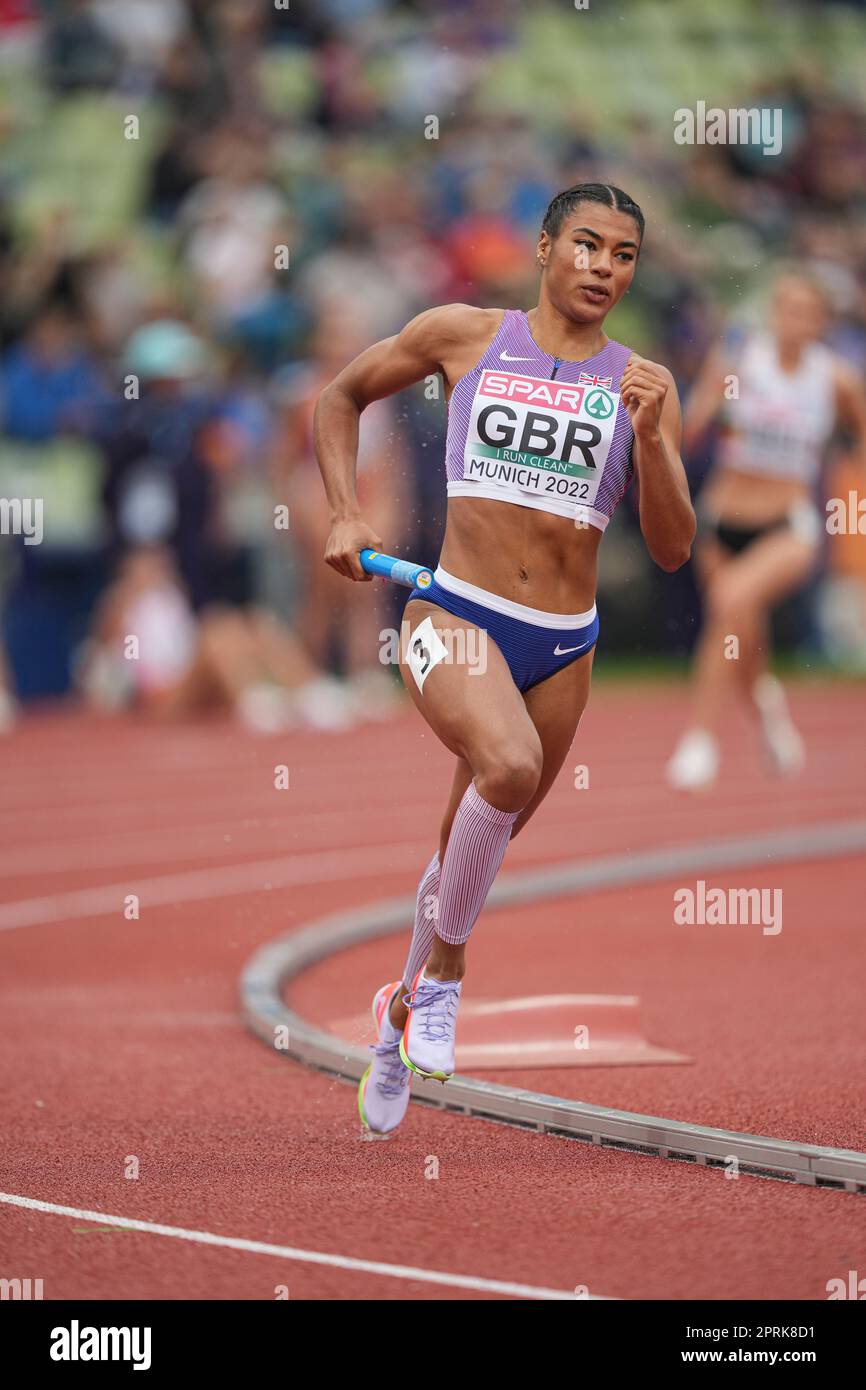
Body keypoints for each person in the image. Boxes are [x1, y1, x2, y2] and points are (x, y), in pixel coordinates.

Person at [314, 183, 696, 1133]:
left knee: (463, 858)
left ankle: (394, 1019)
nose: (605, 267)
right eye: (588, 245)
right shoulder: (465, 334)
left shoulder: (644, 385)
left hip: (564, 643)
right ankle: (445, 978)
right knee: (511, 767)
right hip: (453, 613)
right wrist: (345, 510)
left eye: (624, 254)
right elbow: (341, 396)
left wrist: (651, 441)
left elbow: (674, 547)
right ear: (544, 248)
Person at [667, 272, 866, 791]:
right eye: (786, 308)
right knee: (739, 628)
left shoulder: (835, 379)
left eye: (806, 311)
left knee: (731, 601)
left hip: (788, 525)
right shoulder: (742, 361)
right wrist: (714, 393)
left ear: (821, 322)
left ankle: (700, 738)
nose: (793, 321)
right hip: (722, 520)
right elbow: (695, 426)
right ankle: (767, 708)